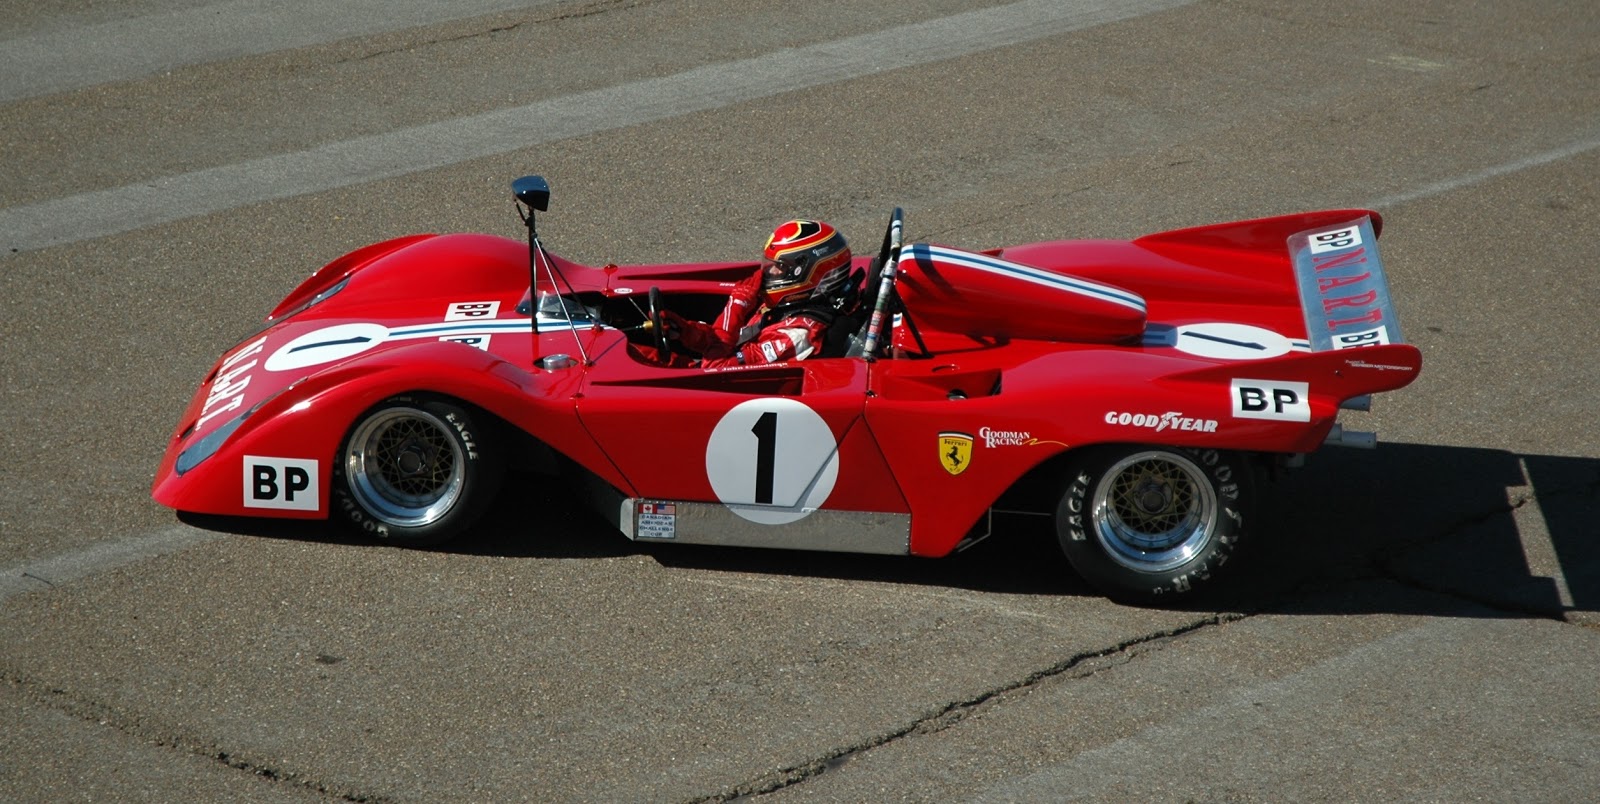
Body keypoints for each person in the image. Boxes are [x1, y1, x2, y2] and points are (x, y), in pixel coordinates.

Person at [660, 219, 856, 368]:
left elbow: (715, 370)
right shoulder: (785, 308)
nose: (771, 272)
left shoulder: (796, 335)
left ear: (812, 274)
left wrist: (736, 306)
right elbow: (732, 341)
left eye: (781, 267)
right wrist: (687, 332)